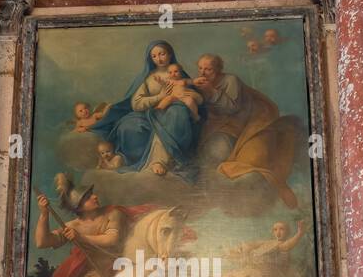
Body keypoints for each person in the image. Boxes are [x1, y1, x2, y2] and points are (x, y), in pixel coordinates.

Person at [195, 53, 298, 207]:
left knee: (216, 152)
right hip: (211, 125)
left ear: (218, 69)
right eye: (200, 68)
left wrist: (211, 91)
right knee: (200, 154)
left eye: (208, 69)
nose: (202, 73)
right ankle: (204, 194)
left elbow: (232, 108)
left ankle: (218, 197)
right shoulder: (200, 82)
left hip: (234, 126)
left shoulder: (230, 80)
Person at [91, 40, 204, 178]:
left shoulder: (179, 74)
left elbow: (195, 97)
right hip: (151, 112)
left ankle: (160, 161)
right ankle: (128, 160)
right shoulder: (148, 77)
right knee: (128, 125)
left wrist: (188, 96)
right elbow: (136, 104)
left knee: (176, 113)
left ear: (169, 54)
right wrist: (160, 96)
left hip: (174, 111)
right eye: (154, 56)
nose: (159, 58)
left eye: (162, 54)